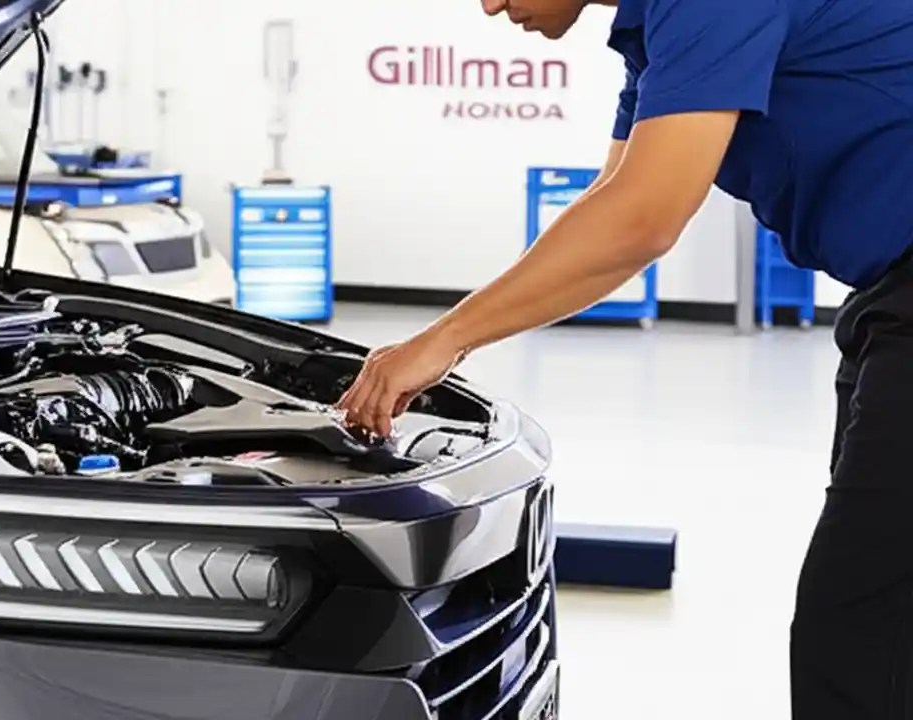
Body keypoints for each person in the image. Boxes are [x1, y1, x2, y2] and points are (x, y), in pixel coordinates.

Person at [335, 0, 913, 716]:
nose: (489, 4)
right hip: (888, 302)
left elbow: (643, 218)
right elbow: (611, 199)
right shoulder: (656, 30)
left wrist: (444, 341)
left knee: (859, 632)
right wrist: (450, 336)